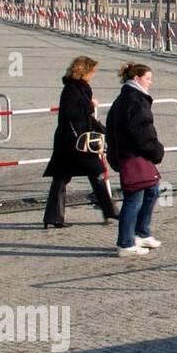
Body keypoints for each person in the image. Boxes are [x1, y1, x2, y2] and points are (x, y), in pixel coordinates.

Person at [42, 56, 118, 228]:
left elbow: (85, 117)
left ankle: (53, 217)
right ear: (84, 71)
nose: (93, 74)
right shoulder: (72, 89)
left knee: (62, 178)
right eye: (92, 71)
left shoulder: (79, 88)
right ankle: (110, 210)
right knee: (95, 173)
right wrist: (90, 105)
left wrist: (103, 130)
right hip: (74, 142)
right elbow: (70, 112)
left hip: (72, 141)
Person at [105, 62, 165, 257]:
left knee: (152, 190)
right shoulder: (135, 100)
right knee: (134, 197)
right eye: (148, 78)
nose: (151, 82)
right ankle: (125, 242)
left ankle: (141, 232)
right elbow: (142, 131)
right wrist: (156, 150)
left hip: (132, 154)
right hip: (134, 155)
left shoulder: (126, 98)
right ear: (137, 79)